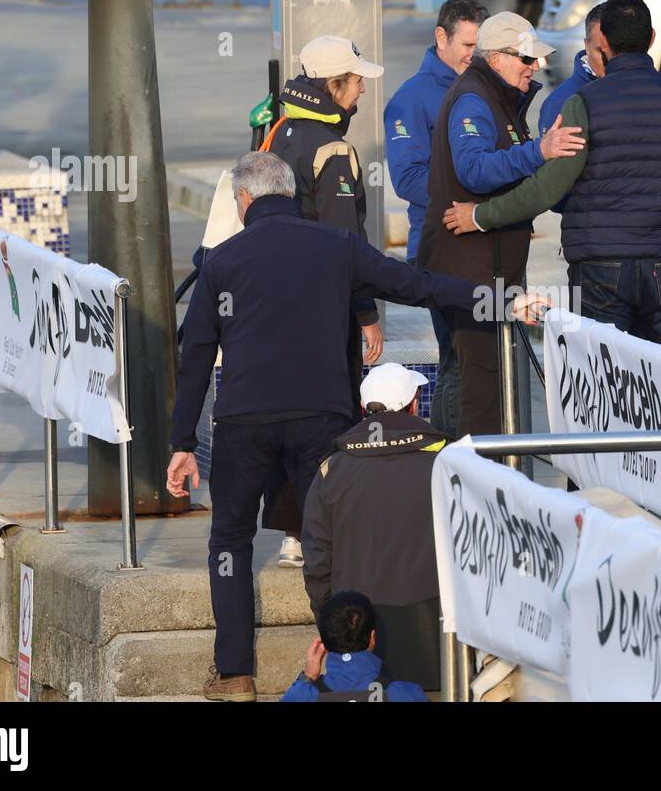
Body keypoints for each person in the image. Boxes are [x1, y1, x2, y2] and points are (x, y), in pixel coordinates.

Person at [164, 151, 488, 703]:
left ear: (244, 201)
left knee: (230, 539)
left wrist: (182, 444)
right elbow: (413, 284)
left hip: (245, 419)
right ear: (289, 194)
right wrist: (489, 298)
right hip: (322, 417)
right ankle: (347, 659)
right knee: (327, 538)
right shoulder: (335, 247)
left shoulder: (221, 262)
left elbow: (194, 356)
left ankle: (236, 673)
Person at [441, 0, 661, 349]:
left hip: (598, 269)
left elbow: (548, 188)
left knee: (602, 382)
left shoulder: (584, 103)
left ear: (603, 42)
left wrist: (482, 215)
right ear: (652, 38)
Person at [417, 11, 585, 435]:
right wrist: (539, 151)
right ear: (495, 59)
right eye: (526, 60)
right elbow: (473, 169)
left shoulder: (497, 96)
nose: (536, 67)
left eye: (536, 60)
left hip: (486, 268)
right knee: (475, 379)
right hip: (468, 269)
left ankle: (469, 474)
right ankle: (468, 479)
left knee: (474, 373)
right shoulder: (474, 99)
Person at [265, 35, 385, 567]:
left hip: (275, 302)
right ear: (332, 87)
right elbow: (346, 245)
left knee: (289, 413)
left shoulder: (277, 132)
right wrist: (367, 314)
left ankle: (293, 530)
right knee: (330, 415)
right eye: (356, 81)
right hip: (322, 308)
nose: (361, 91)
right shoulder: (332, 150)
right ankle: (322, 530)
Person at [301, 362, 446, 690]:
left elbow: (317, 558)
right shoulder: (447, 464)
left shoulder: (332, 469)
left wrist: (331, 620)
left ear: (365, 410)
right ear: (412, 406)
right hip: (436, 634)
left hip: (357, 630)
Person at [385, 0, 489, 437]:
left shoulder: (482, 86)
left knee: (482, 365)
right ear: (441, 37)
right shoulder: (411, 99)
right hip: (442, 248)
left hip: (482, 244)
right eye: (467, 44)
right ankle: (448, 459)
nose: (473, 54)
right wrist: (471, 191)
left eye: (479, 46)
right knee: (457, 364)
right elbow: (407, 178)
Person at [280, 591, 427, 702]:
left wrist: (308, 677)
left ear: (324, 644)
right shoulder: (406, 694)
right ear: (372, 637)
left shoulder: (302, 696)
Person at [535, 1, 605, 215]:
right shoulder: (560, 103)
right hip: (589, 229)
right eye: (599, 50)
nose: (608, 60)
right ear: (586, 45)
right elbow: (554, 192)